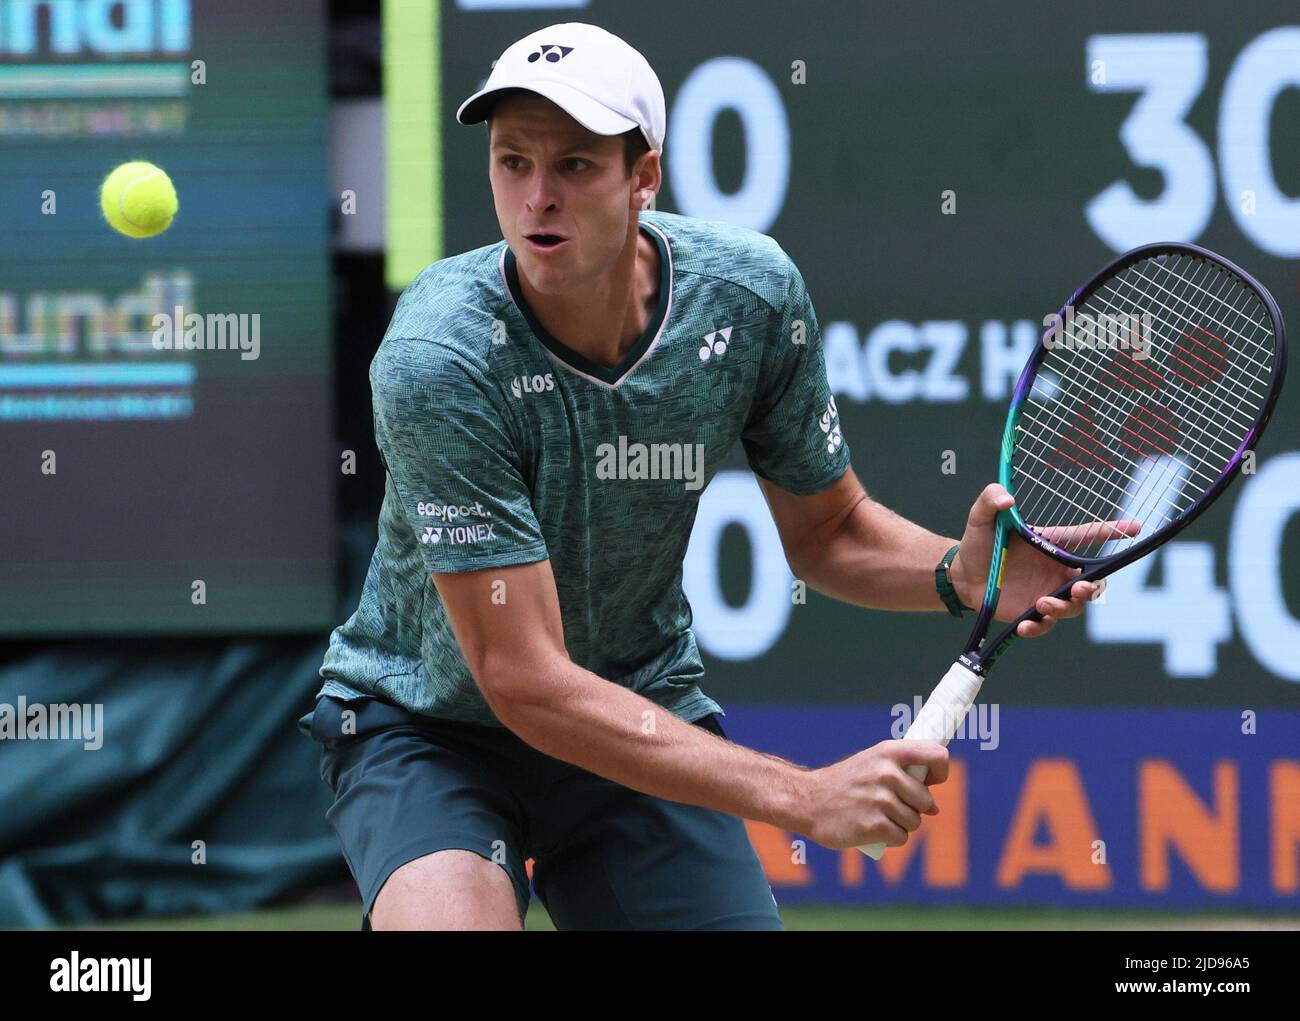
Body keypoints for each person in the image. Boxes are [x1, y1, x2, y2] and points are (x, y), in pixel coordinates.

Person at [298, 22, 1101, 931]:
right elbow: (522, 679)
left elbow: (830, 533)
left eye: (575, 166)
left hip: (636, 710)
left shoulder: (749, 298)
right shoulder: (439, 357)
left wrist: (965, 575)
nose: (536, 198)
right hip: (431, 726)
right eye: (512, 161)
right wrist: (804, 797)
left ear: (645, 177)